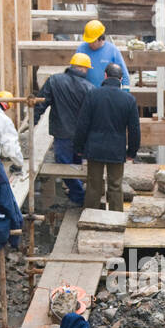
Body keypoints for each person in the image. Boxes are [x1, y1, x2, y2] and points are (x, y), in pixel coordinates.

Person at [73, 63, 139, 212]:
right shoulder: (129, 100)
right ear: (121, 79)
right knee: (115, 185)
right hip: (116, 150)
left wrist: (78, 147)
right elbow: (134, 129)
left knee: (93, 185)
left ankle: (90, 217)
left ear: (105, 76)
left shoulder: (92, 95)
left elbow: (82, 123)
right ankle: (116, 220)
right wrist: (132, 152)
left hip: (94, 148)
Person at [35, 53, 94, 206]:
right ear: (83, 69)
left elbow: (40, 103)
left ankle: (78, 195)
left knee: (63, 165)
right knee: (76, 163)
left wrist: (33, 121)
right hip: (81, 135)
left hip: (61, 133)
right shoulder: (89, 88)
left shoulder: (54, 81)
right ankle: (80, 195)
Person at [75, 20, 131, 88]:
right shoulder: (81, 49)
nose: (90, 44)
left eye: (92, 41)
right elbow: (73, 72)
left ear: (101, 38)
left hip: (106, 94)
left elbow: (124, 74)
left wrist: (125, 91)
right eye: (88, 41)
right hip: (86, 93)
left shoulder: (112, 50)